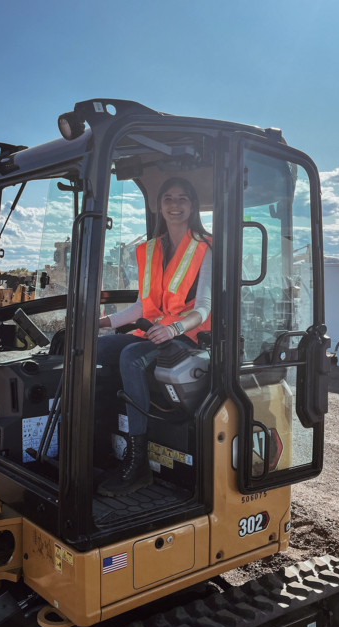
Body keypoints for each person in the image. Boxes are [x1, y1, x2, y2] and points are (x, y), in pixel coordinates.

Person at [96, 177, 212, 497]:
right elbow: (142, 305)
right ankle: (97, 440)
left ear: (192, 205)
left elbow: (203, 308)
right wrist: (102, 322)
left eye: (183, 198)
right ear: (157, 206)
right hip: (154, 332)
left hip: (189, 337)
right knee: (93, 348)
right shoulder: (151, 250)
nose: (175, 205)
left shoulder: (205, 247)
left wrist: (174, 328)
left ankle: (138, 464)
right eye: (168, 198)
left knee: (130, 358)